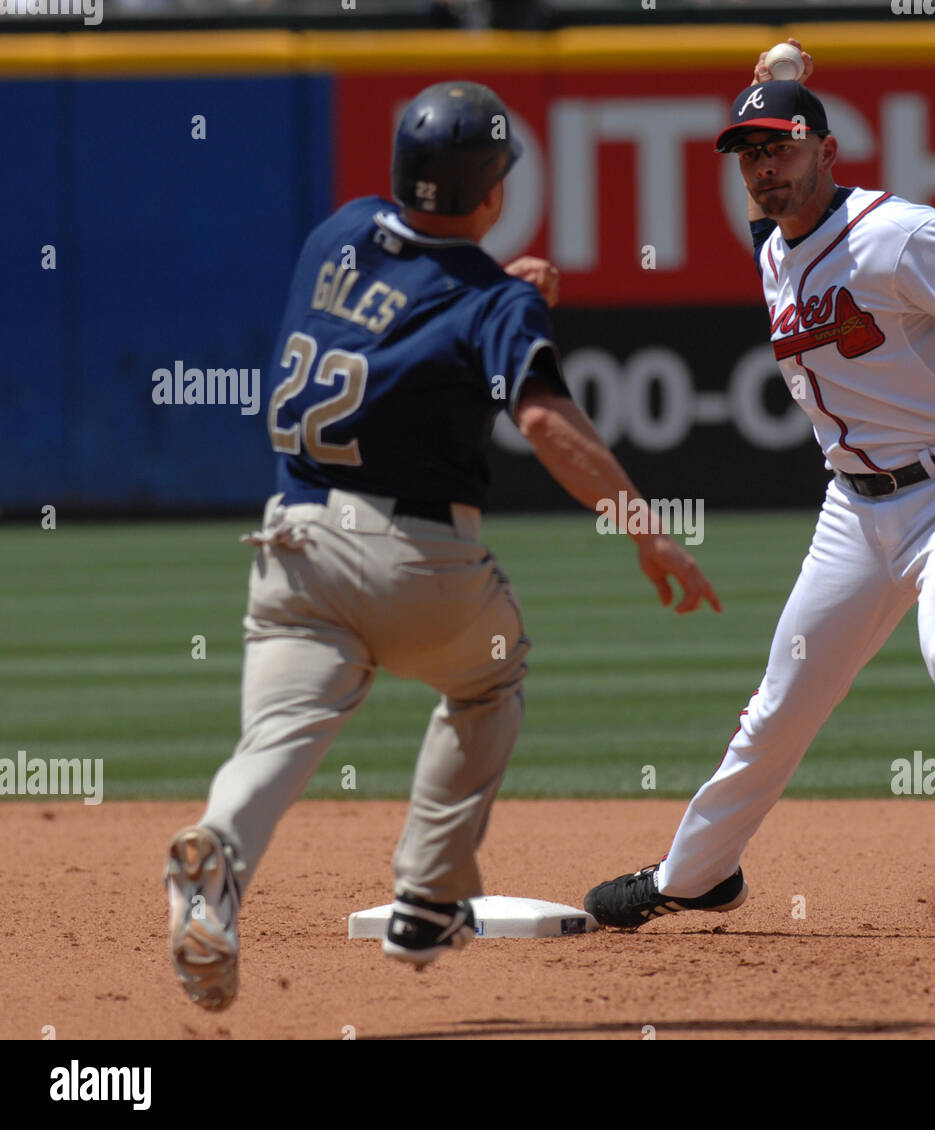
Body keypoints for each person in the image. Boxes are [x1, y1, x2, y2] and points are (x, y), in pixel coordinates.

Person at [164, 80, 720, 1011]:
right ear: (494, 191)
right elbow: (543, 421)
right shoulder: (490, 305)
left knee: (277, 740)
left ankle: (214, 865)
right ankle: (427, 894)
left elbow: (401, 307)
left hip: (293, 546)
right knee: (490, 676)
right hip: (411, 557)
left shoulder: (335, 233)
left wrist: (508, 297)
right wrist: (649, 533)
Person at [584, 43, 935, 945]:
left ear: (828, 151)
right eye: (749, 153)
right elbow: (777, 220)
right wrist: (776, 86)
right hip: (854, 511)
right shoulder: (772, 246)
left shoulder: (901, 232)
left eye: (782, 147)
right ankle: (697, 877)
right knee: (782, 700)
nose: (763, 167)